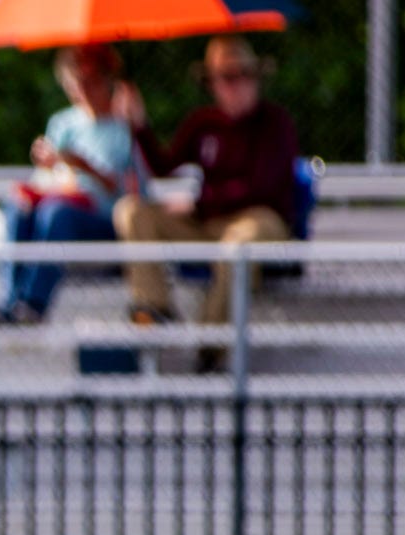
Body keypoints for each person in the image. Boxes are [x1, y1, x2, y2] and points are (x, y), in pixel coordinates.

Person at [113, 35, 301, 331]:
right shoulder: (202, 123)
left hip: (257, 220)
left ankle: (211, 345)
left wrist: (199, 203)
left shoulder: (275, 124)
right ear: (211, 83)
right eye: (224, 77)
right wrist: (138, 125)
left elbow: (260, 187)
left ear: (256, 79)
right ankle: (153, 309)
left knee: (237, 248)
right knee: (131, 212)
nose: (234, 85)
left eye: (243, 75)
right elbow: (163, 167)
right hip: (207, 223)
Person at [0, 46, 137, 326]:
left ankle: (33, 304)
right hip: (60, 211)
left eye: (90, 81)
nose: (83, 90)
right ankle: (9, 301)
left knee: (57, 213)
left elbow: (119, 190)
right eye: (75, 83)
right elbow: (47, 181)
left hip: (102, 221)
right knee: (20, 206)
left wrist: (82, 165)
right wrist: (41, 180)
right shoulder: (63, 123)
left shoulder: (123, 128)